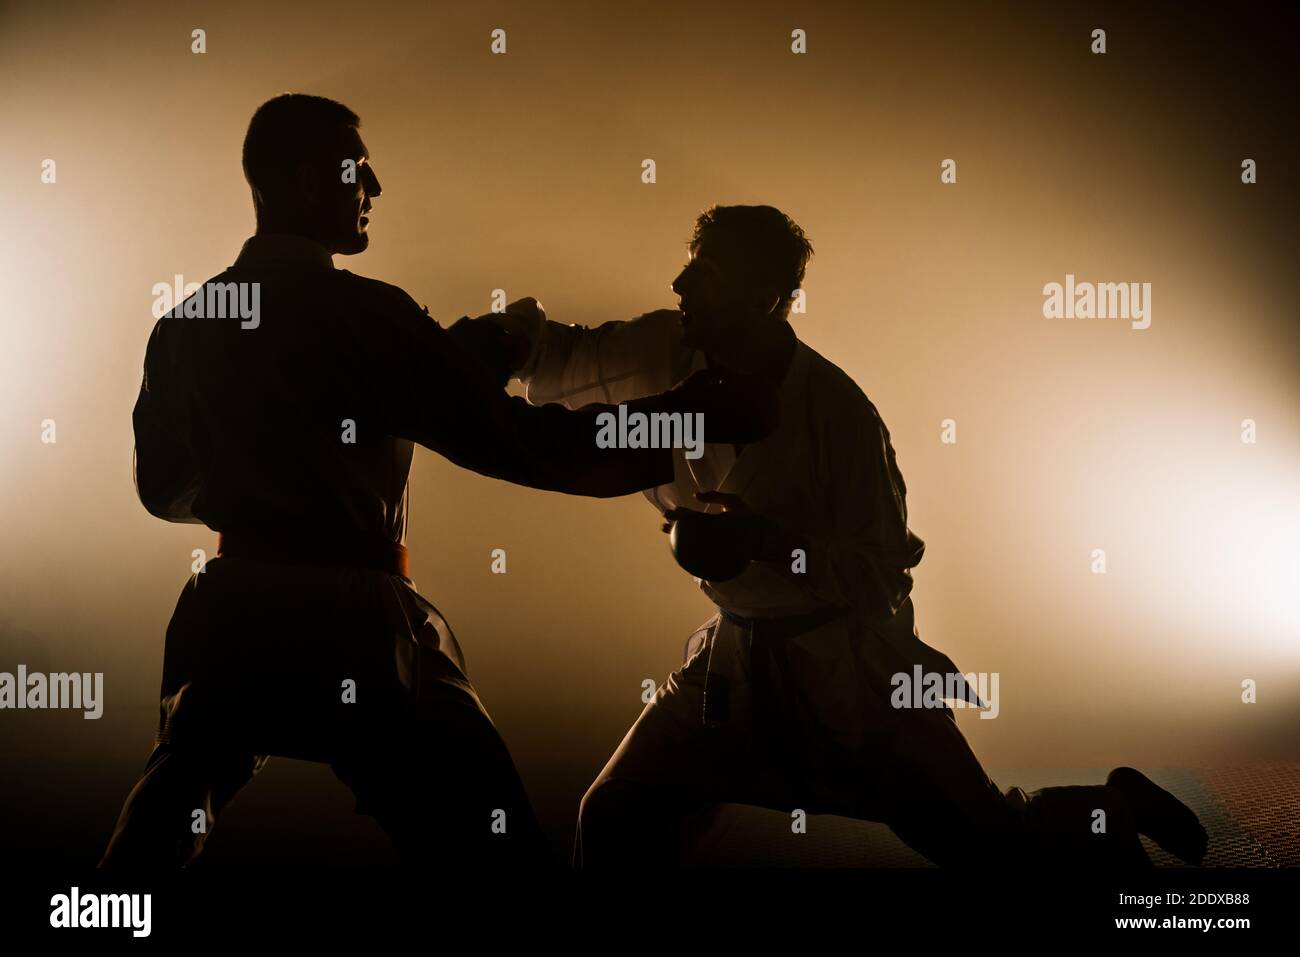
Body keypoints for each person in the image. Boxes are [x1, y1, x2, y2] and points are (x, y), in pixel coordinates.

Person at [98, 95, 771, 869]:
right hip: (354, 625)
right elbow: (525, 443)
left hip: (232, 613)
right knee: (497, 852)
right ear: (305, 179)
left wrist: (276, 474)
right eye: (357, 166)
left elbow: (163, 487)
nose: (374, 185)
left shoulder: (185, 324)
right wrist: (689, 416)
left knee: (155, 835)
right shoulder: (371, 315)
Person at [479, 204, 1209, 868]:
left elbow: (881, 576)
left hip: (857, 678)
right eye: (688, 262)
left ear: (767, 294)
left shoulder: (841, 414)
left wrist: (766, 541)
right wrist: (490, 343)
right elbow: (560, 355)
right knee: (612, 815)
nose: (680, 281)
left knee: (993, 843)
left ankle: (1113, 807)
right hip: (731, 664)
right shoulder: (660, 352)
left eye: (707, 270)